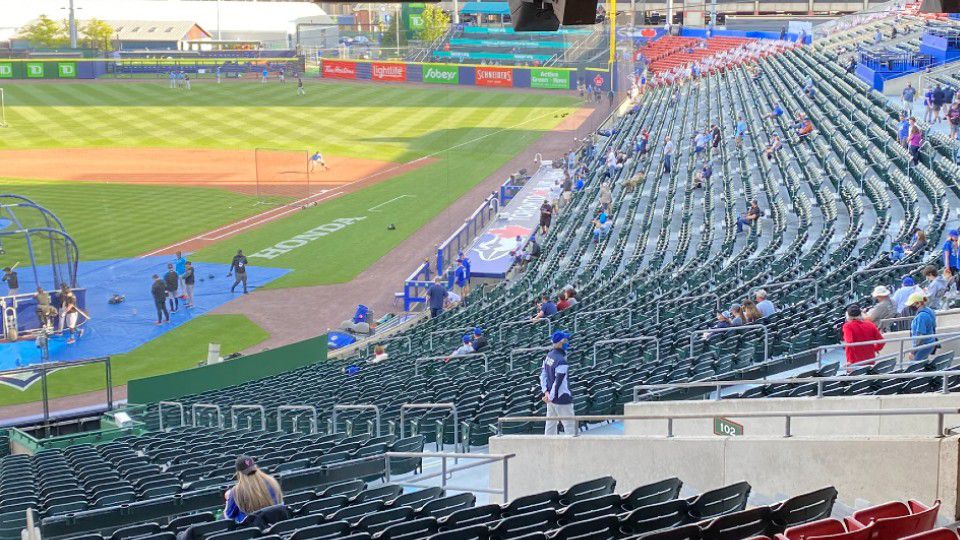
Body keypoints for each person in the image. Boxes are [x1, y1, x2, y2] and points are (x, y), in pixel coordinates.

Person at [224, 456, 283, 523]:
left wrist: (228, 500)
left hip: (251, 529)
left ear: (239, 473)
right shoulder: (272, 481)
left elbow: (228, 517)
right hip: (275, 524)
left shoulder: (236, 492)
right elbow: (281, 505)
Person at [540, 331, 574, 435]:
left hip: (550, 398)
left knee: (550, 427)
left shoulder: (549, 355)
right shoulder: (561, 361)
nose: (567, 342)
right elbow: (557, 382)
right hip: (561, 398)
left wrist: (545, 392)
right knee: (570, 427)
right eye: (565, 340)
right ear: (560, 343)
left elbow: (542, 375)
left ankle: (547, 450)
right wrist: (550, 396)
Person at [907, 292, 936, 362]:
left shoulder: (921, 316)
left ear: (918, 303)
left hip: (923, 345)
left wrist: (913, 351)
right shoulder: (929, 310)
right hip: (929, 344)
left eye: (912, 304)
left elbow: (920, 336)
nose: (910, 306)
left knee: (915, 366)